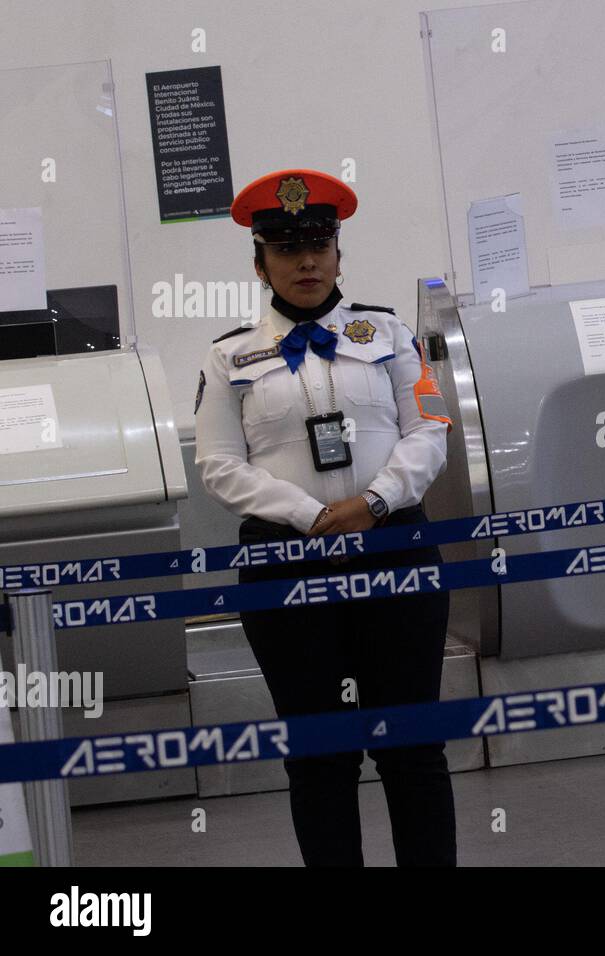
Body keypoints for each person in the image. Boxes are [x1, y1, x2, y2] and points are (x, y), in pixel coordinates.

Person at [194, 168, 457, 866]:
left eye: (318, 245)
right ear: (261, 265)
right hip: (286, 567)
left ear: (339, 254)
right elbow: (219, 466)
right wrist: (312, 514)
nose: (305, 261)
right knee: (318, 757)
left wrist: (373, 502)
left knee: (414, 748)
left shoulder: (393, 334)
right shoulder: (226, 359)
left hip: (395, 551)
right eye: (286, 248)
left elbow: (430, 428)